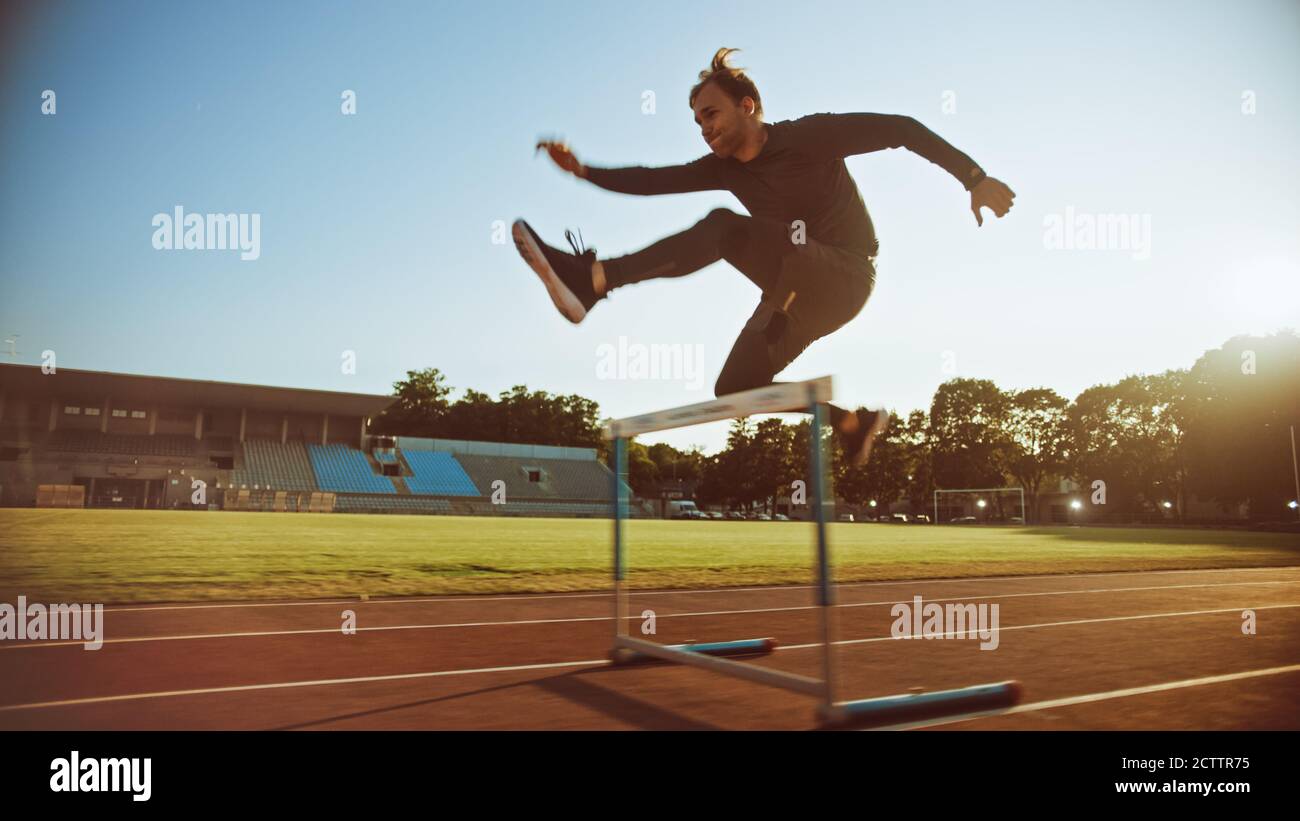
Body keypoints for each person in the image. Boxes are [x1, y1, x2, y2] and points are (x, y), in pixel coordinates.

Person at [514, 47, 1015, 465]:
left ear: (747, 106)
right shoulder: (726, 168)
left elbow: (901, 128)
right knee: (735, 387)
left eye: (711, 114)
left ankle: (597, 279)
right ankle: (848, 421)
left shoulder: (809, 136)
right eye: (696, 121)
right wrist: (583, 171)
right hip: (795, 294)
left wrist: (973, 177)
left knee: (723, 229)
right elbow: (654, 180)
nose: (703, 128)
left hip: (844, 274)